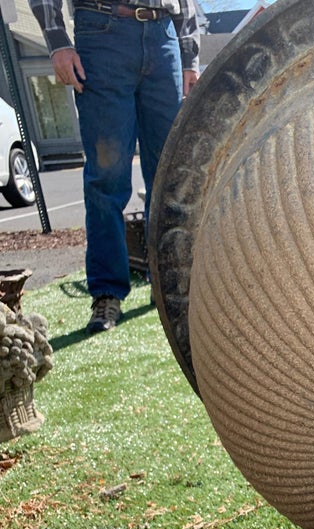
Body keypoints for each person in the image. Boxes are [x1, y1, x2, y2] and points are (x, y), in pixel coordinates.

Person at [29, 0, 199, 333]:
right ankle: (107, 292)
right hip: (102, 33)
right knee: (107, 176)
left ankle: (168, 285)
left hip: (164, 35)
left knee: (170, 175)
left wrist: (189, 53)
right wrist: (57, 42)